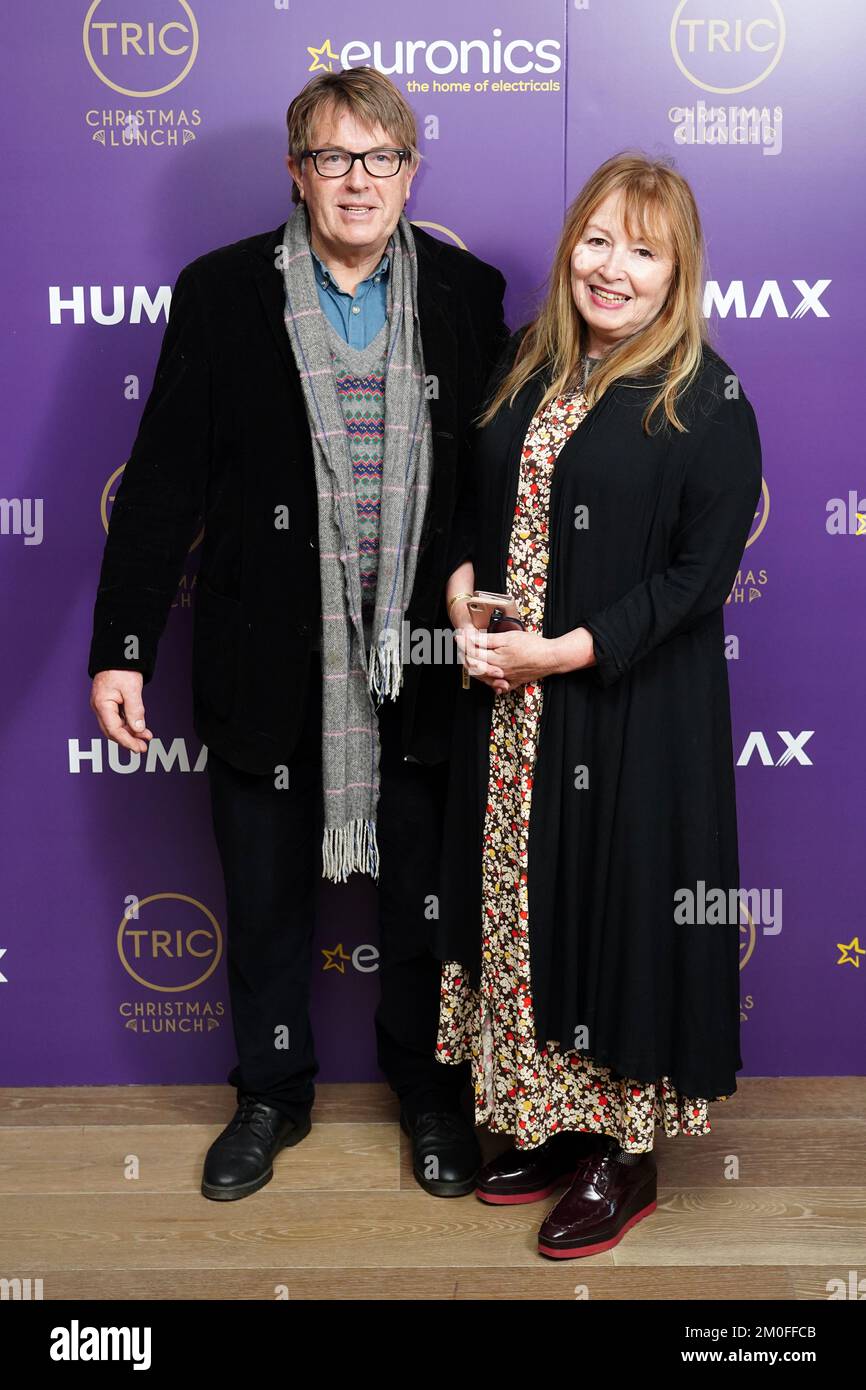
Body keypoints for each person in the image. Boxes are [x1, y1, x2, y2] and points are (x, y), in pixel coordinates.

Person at [87, 67, 508, 1201]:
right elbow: (164, 483)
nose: (357, 181)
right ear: (296, 172)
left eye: (379, 159)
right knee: (264, 896)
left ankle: (429, 1093)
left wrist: (479, 588)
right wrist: (120, 646)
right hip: (269, 659)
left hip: (421, 664)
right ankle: (271, 1095)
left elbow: (489, 478)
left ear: (411, 173)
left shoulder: (471, 295)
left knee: (424, 896)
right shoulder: (222, 294)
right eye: (332, 157)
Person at [436, 152, 762, 1257]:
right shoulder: (532, 367)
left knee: (616, 915)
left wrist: (561, 652)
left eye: (641, 249)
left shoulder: (704, 398)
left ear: (677, 274)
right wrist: (463, 603)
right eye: (594, 240)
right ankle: (553, 1122)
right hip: (511, 715)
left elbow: (693, 578)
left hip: (621, 714)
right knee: (530, 914)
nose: (609, 268)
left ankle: (623, 1155)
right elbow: (478, 511)